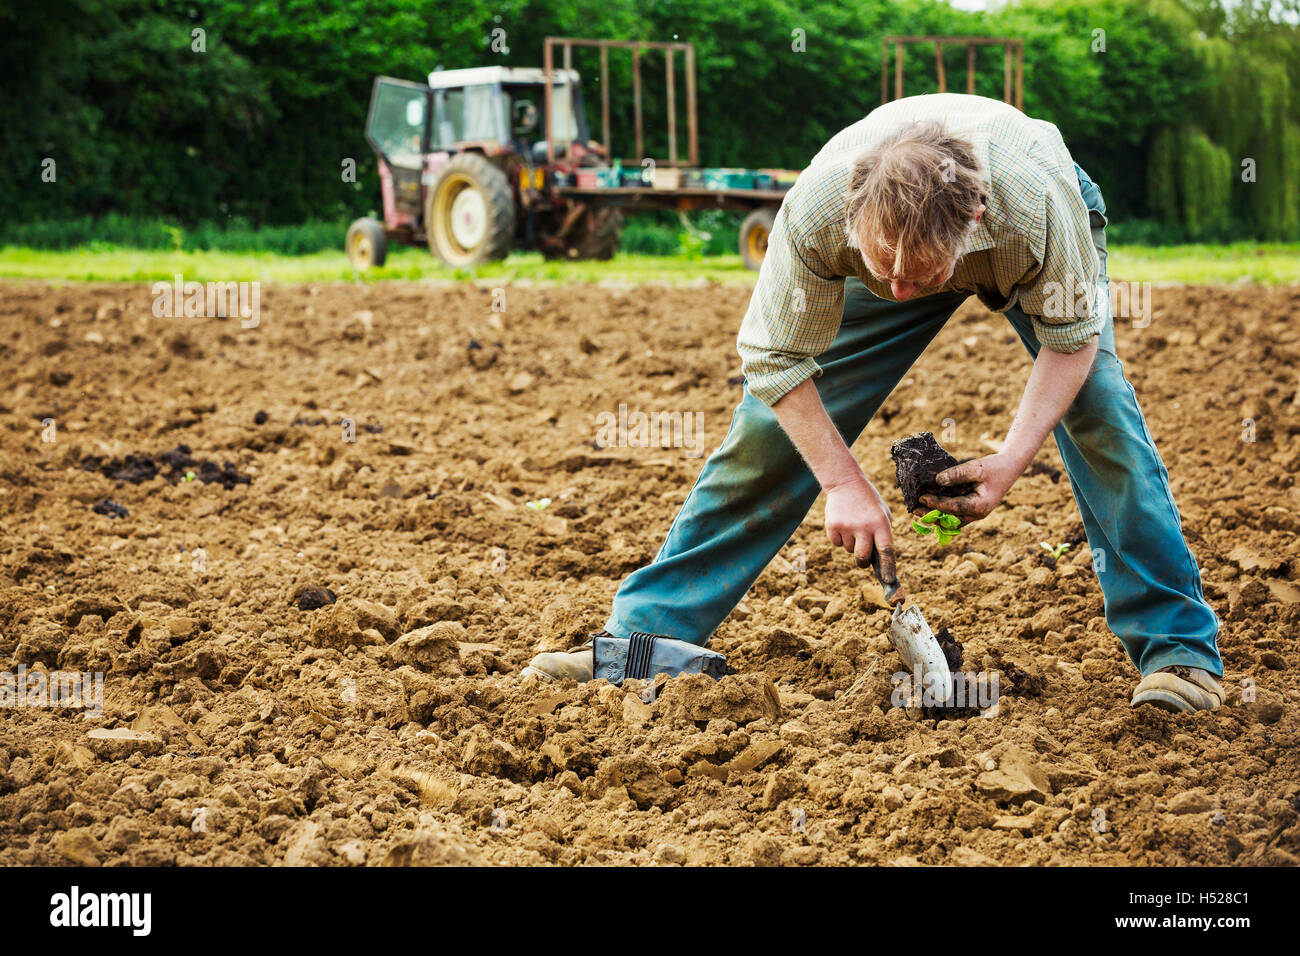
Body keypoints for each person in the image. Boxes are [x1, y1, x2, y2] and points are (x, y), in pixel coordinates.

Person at [525, 93, 1224, 714]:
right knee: (768, 430)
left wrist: (1013, 459)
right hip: (899, 235)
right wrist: (842, 480)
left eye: (916, 277)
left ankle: (1177, 650)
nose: (896, 292)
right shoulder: (821, 211)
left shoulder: (1037, 208)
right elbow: (773, 359)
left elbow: (1071, 344)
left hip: (1027, 227)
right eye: (880, 268)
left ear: (973, 223)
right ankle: (651, 634)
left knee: (1098, 409)